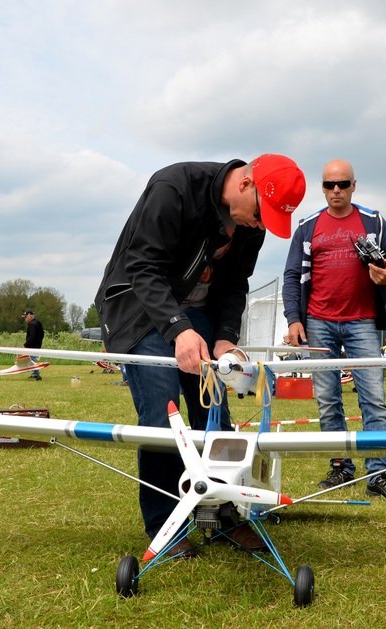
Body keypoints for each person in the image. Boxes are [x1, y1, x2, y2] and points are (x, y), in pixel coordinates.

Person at [95, 154, 306, 558]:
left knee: (215, 414)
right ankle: (165, 525)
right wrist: (178, 329)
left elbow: (235, 284)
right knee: (163, 416)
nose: (261, 226)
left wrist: (226, 337)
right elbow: (142, 267)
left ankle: (224, 513)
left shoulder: (250, 225)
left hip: (200, 313)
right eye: (263, 214)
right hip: (141, 310)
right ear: (246, 185)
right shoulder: (174, 188)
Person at [282, 159, 386, 503]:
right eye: (329, 185)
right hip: (318, 324)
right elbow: (292, 275)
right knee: (327, 400)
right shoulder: (307, 226)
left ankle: (379, 472)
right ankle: (340, 465)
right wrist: (294, 318)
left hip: (363, 323)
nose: (336, 191)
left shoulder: (374, 221)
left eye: (342, 184)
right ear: (322, 188)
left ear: (355, 185)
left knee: (374, 399)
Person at [22, 310, 44, 381]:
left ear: (29, 316)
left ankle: (36, 374)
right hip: (38, 345)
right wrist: (39, 342)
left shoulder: (32, 324)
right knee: (33, 359)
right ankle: (35, 373)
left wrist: (26, 344)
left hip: (32, 346)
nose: (25, 319)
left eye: (25, 317)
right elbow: (42, 334)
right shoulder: (38, 322)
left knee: (32, 360)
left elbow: (32, 336)